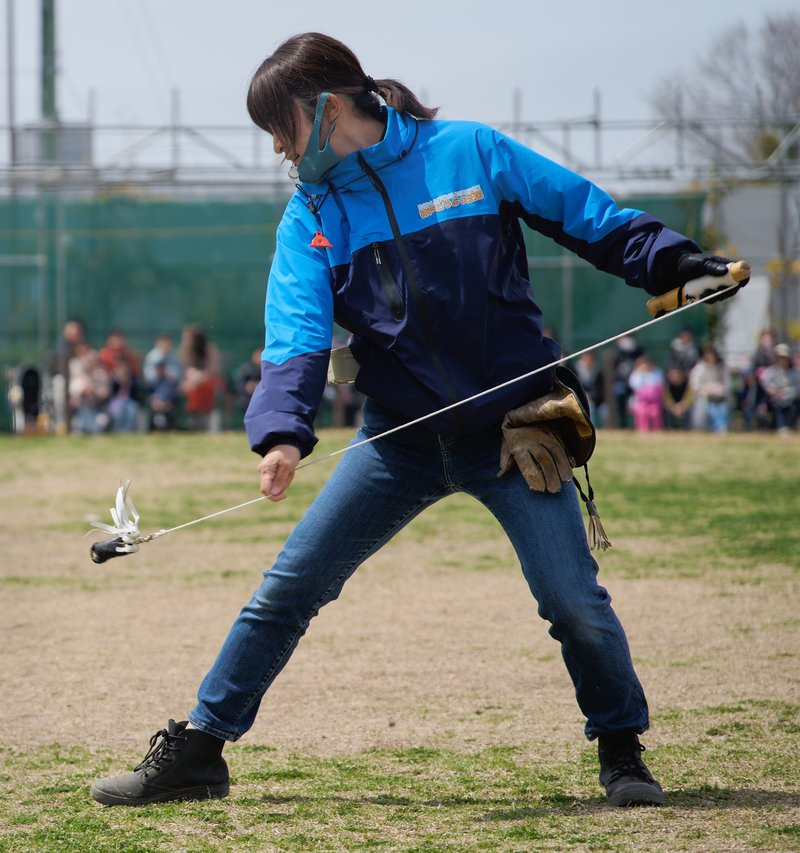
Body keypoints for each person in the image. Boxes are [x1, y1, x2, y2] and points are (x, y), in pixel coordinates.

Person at [90, 32, 748, 810]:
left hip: (515, 431)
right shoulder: (310, 215)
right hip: (395, 440)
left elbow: (589, 216)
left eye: (279, 128)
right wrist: (281, 433)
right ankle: (200, 750)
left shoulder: (470, 152)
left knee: (572, 599)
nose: (276, 149)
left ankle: (622, 751)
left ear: (325, 108)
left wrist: (680, 266)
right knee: (287, 589)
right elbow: (295, 334)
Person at [689, 346, 731, 433]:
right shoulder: (700, 368)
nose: (710, 358)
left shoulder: (722, 368)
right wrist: (707, 388)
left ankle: (721, 429)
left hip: (720, 398)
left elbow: (727, 385)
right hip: (703, 398)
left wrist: (718, 389)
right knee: (700, 417)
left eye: (712, 356)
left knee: (722, 411)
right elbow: (694, 384)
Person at [761, 343, 799, 434]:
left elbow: (798, 388)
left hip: (791, 400)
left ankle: (789, 427)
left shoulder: (794, 373)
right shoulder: (771, 371)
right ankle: (781, 427)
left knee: (794, 406)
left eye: (784, 358)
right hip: (775, 400)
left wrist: (785, 393)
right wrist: (773, 391)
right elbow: (765, 383)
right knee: (776, 405)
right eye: (780, 358)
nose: (782, 360)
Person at [627, 355, 664, 432]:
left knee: (655, 414)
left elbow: (659, 385)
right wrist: (640, 374)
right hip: (641, 402)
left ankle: (657, 430)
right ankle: (642, 430)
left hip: (654, 401)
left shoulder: (657, 373)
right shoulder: (636, 374)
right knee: (642, 413)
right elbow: (634, 385)